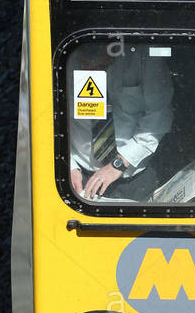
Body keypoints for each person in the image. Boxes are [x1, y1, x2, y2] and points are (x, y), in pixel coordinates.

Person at [68, 44, 174, 200]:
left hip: (133, 176)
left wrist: (117, 165)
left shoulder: (143, 55)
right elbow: (50, 119)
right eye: (86, 65)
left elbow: (158, 117)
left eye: (102, 64)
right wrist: (68, 166)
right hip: (79, 175)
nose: (95, 68)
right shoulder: (64, 58)